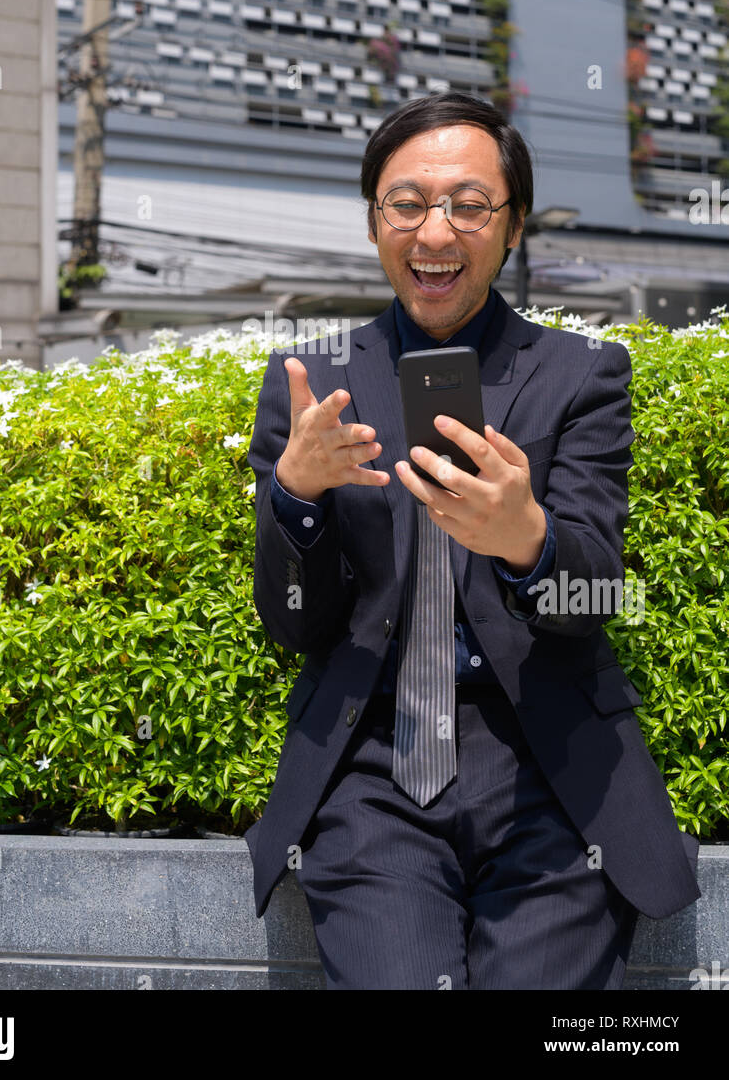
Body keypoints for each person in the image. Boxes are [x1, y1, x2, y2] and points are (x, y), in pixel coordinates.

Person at [244, 93, 700, 990]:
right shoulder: (314, 380)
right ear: (376, 220)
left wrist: (528, 540)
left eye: (468, 204)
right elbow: (293, 625)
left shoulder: (581, 378)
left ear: (514, 225)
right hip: (375, 773)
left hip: (547, 776)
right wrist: (297, 497)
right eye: (406, 204)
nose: (434, 231)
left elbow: (600, 597)